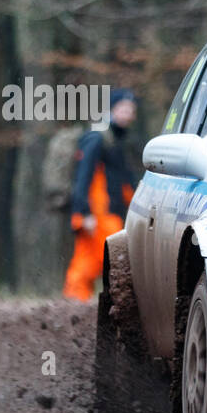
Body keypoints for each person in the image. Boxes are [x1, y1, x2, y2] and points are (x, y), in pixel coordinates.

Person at [63, 89, 138, 301]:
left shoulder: (115, 139)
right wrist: (83, 212)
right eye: (123, 109)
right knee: (101, 263)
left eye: (131, 110)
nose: (128, 114)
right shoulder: (97, 138)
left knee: (91, 262)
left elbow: (124, 181)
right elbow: (83, 176)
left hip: (107, 213)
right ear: (111, 110)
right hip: (98, 214)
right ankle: (73, 307)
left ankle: (74, 306)